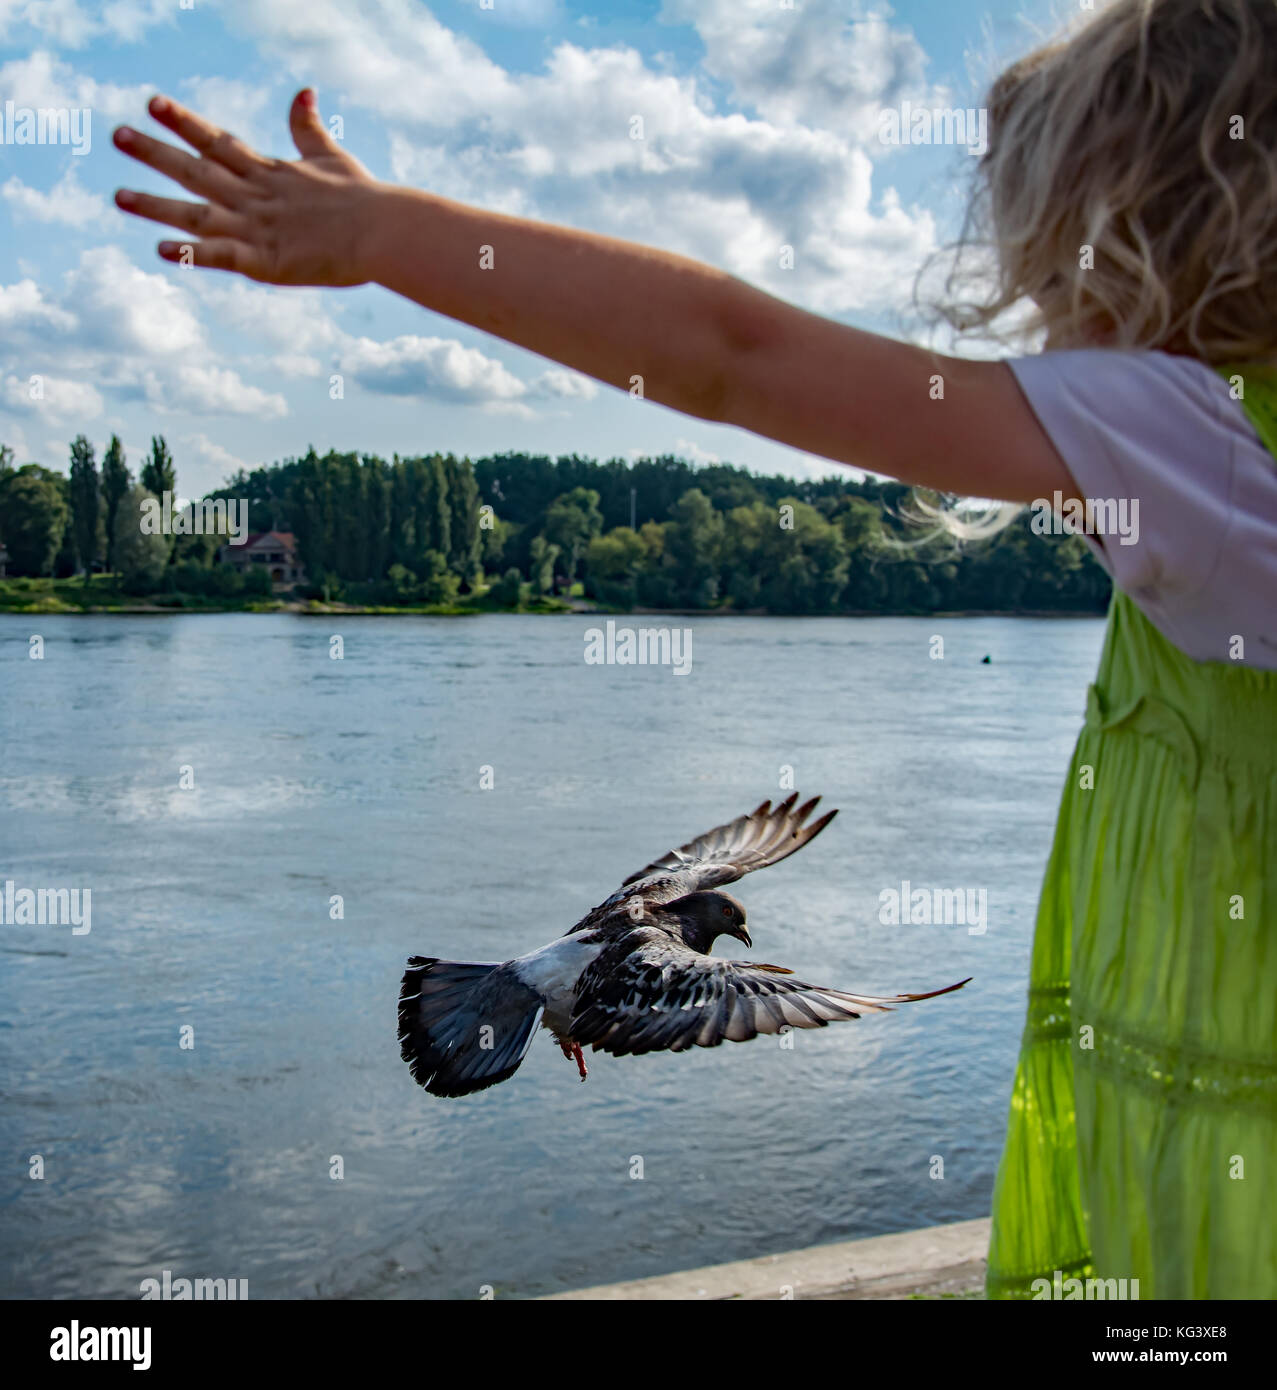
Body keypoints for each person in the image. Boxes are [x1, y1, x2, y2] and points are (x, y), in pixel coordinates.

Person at [112, 0, 1276, 1298]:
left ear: (1131, 235)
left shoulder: (1191, 439)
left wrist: (391, 236)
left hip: (1212, 1066)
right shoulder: (1232, 458)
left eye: (1047, 254)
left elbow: (732, 354)